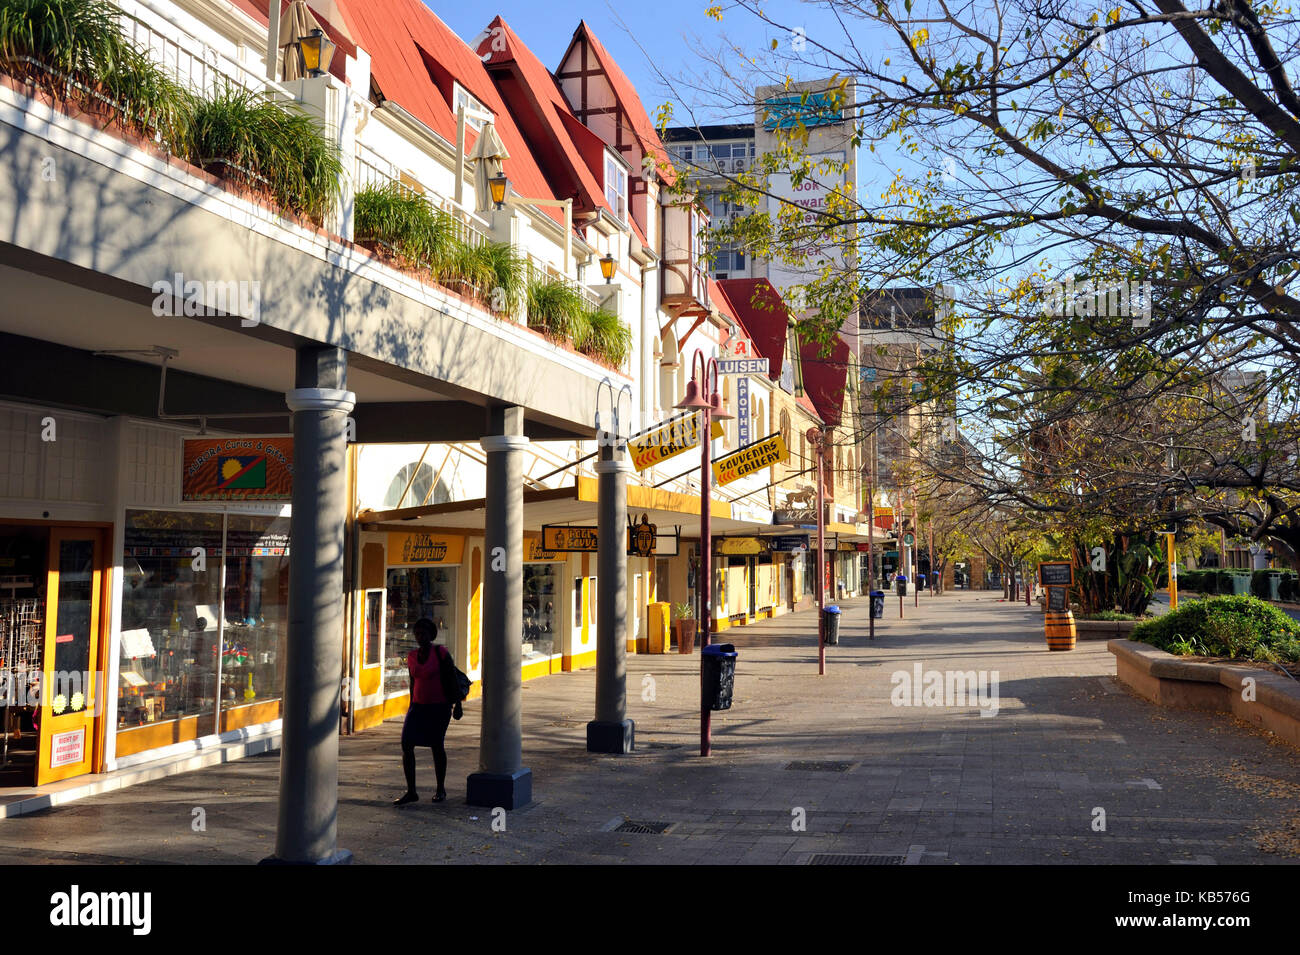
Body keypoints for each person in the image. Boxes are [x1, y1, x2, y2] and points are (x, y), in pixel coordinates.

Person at [393, 618, 458, 806]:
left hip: (439, 707)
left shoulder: (441, 653)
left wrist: (457, 705)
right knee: (406, 744)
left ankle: (440, 789)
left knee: (436, 746)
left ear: (431, 635)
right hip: (418, 707)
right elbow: (413, 682)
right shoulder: (412, 656)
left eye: (424, 633)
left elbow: (452, 679)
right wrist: (411, 703)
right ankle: (411, 791)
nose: (420, 637)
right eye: (418, 633)